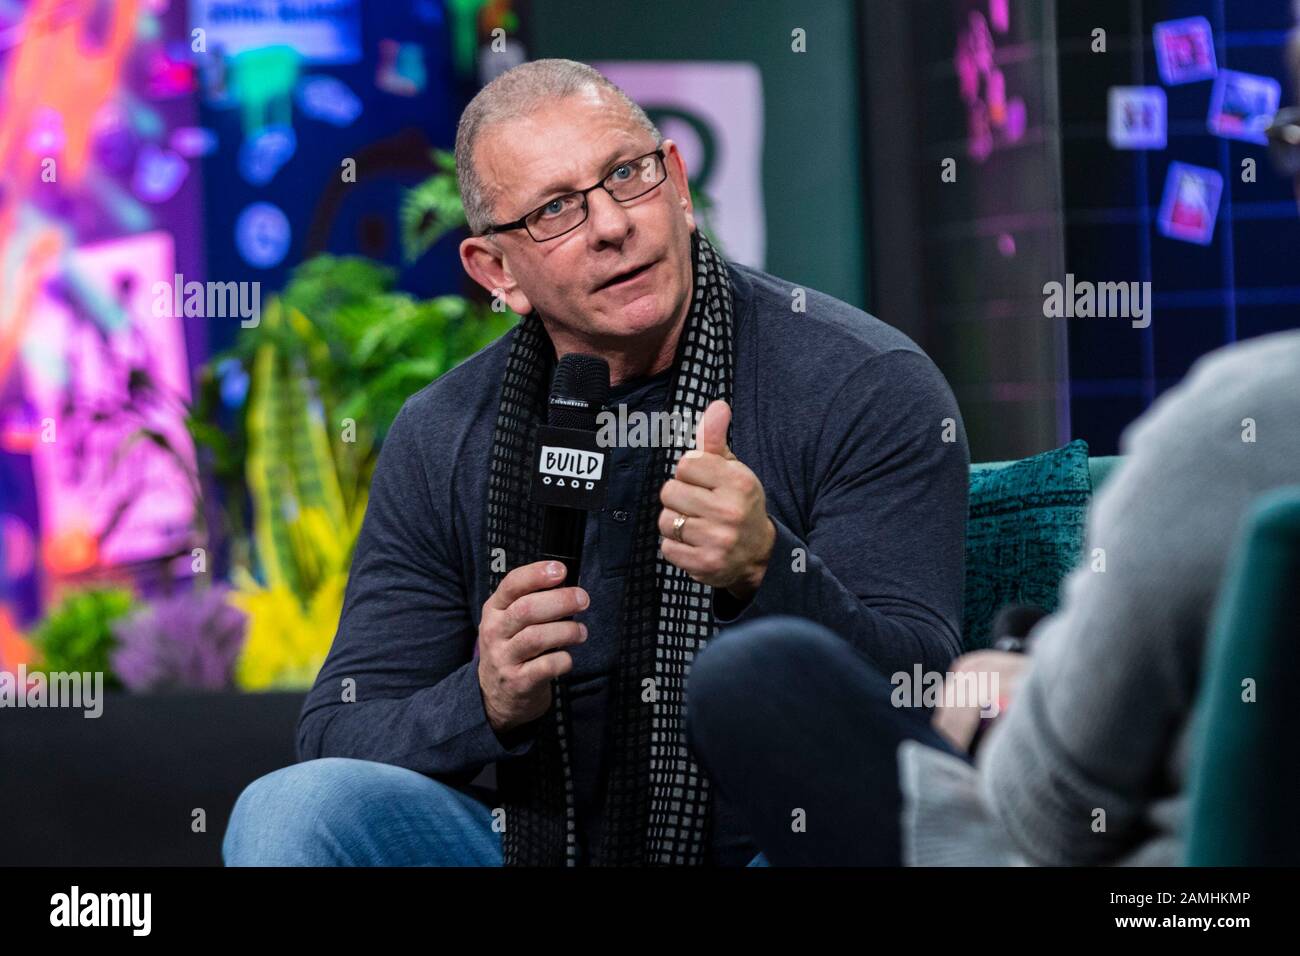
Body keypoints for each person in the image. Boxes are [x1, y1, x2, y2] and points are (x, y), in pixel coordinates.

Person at [222, 58, 969, 867]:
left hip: (766, 850)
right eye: (556, 210)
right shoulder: (443, 434)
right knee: (290, 812)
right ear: (496, 271)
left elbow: (920, 700)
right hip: (530, 847)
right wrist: (487, 700)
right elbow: (338, 728)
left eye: (627, 174)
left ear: (678, 186)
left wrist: (767, 568)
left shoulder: (858, 382)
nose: (612, 224)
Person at [685, 35, 1300, 866]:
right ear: (495, 264)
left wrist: (1022, 686)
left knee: (757, 680)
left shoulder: (1238, 423)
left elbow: (1049, 809)